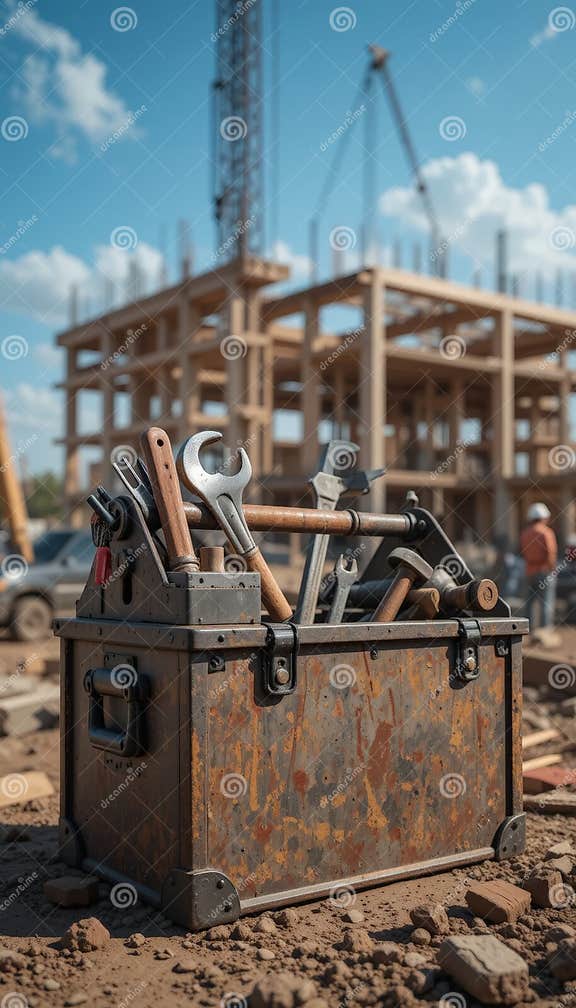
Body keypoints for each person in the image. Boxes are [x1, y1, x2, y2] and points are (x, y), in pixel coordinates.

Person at [520, 503, 558, 629]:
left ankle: (526, 630)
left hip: (529, 571)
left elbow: (523, 552)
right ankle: (545, 631)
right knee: (546, 602)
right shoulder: (546, 533)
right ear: (544, 517)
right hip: (544, 571)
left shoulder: (525, 533)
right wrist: (552, 569)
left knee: (529, 603)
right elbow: (551, 553)